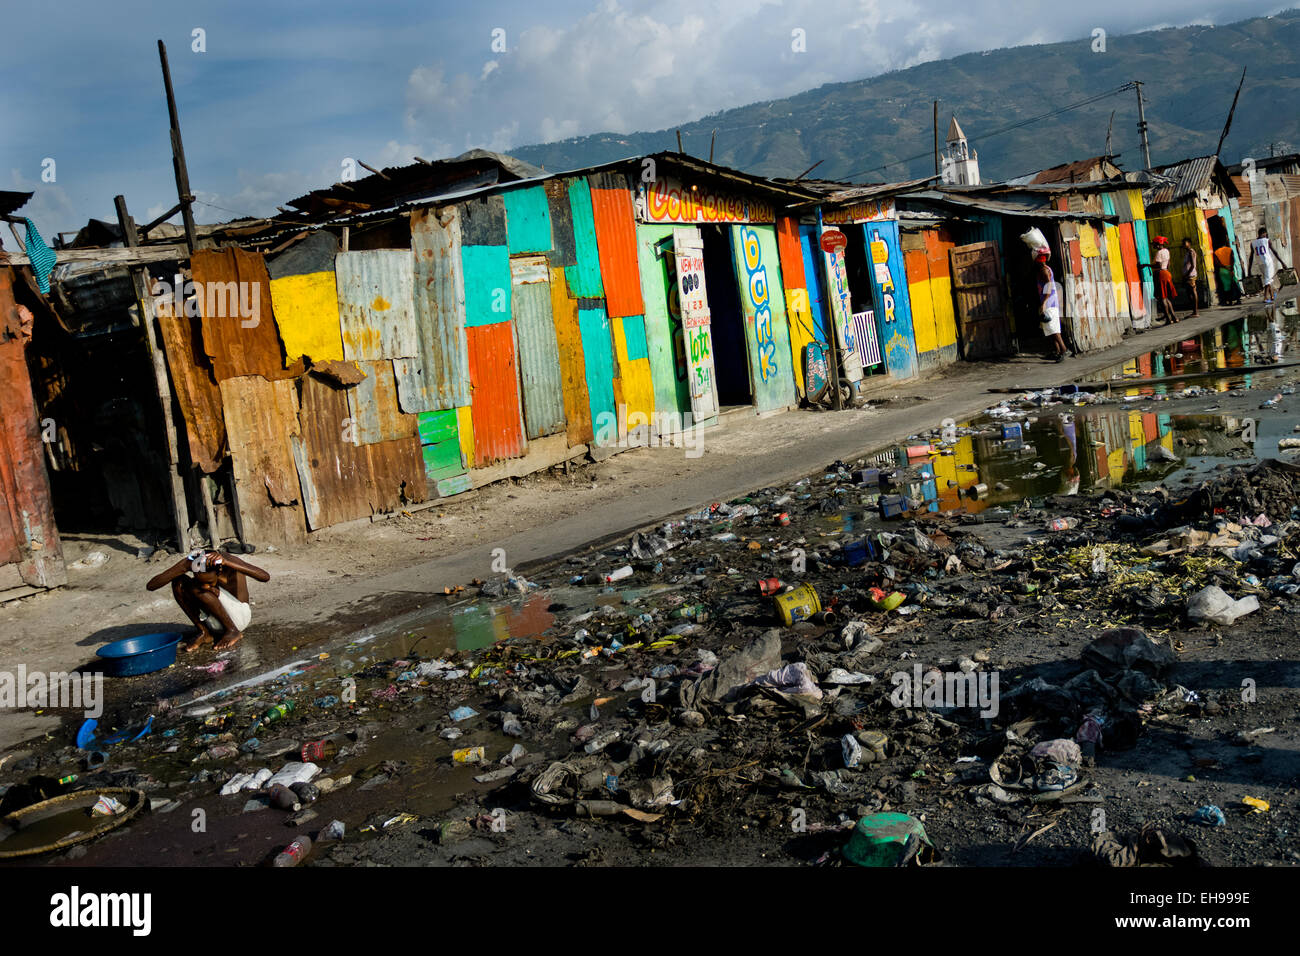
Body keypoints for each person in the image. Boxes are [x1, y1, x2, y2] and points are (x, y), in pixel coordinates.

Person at [146, 549, 270, 652]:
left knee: (201, 590)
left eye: (210, 582)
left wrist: (227, 562)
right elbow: (151, 586)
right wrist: (184, 566)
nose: (205, 585)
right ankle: (204, 632)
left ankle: (232, 632)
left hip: (239, 618)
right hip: (215, 621)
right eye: (201, 580)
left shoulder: (226, 562)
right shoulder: (195, 562)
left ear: (219, 571)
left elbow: (265, 577)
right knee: (178, 582)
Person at [1035, 249, 1067, 362]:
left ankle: (1063, 350)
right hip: (1051, 302)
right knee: (1050, 329)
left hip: (1049, 303)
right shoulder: (1048, 269)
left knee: (1054, 329)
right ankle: (1057, 351)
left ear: (1039, 262)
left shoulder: (1044, 271)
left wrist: (1043, 303)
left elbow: (1049, 287)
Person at [1141, 236, 1178, 324]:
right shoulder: (1166, 251)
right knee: (1167, 298)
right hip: (1167, 273)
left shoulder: (1159, 253)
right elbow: (1168, 264)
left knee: (1162, 298)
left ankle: (1168, 320)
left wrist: (1146, 265)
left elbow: (1158, 265)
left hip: (1161, 274)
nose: (1153, 245)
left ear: (1158, 244)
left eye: (1154, 244)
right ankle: (1174, 317)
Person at [1248, 227, 1290, 304]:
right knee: (1268, 280)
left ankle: (1272, 296)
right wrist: (1282, 263)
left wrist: (1249, 269)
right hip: (1268, 263)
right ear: (1264, 233)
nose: (1266, 235)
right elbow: (1275, 252)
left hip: (1260, 264)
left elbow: (1251, 257)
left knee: (1268, 278)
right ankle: (1265, 297)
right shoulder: (1267, 241)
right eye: (1266, 234)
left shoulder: (1253, 243)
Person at [1181, 238, 1200, 318]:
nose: (1183, 245)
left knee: (1193, 291)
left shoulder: (1191, 252)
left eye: (1184, 243)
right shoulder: (1188, 252)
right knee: (1189, 293)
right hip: (1188, 275)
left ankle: (1195, 312)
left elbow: (1192, 265)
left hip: (1190, 275)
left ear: (1189, 243)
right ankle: (1194, 311)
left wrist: (1186, 275)